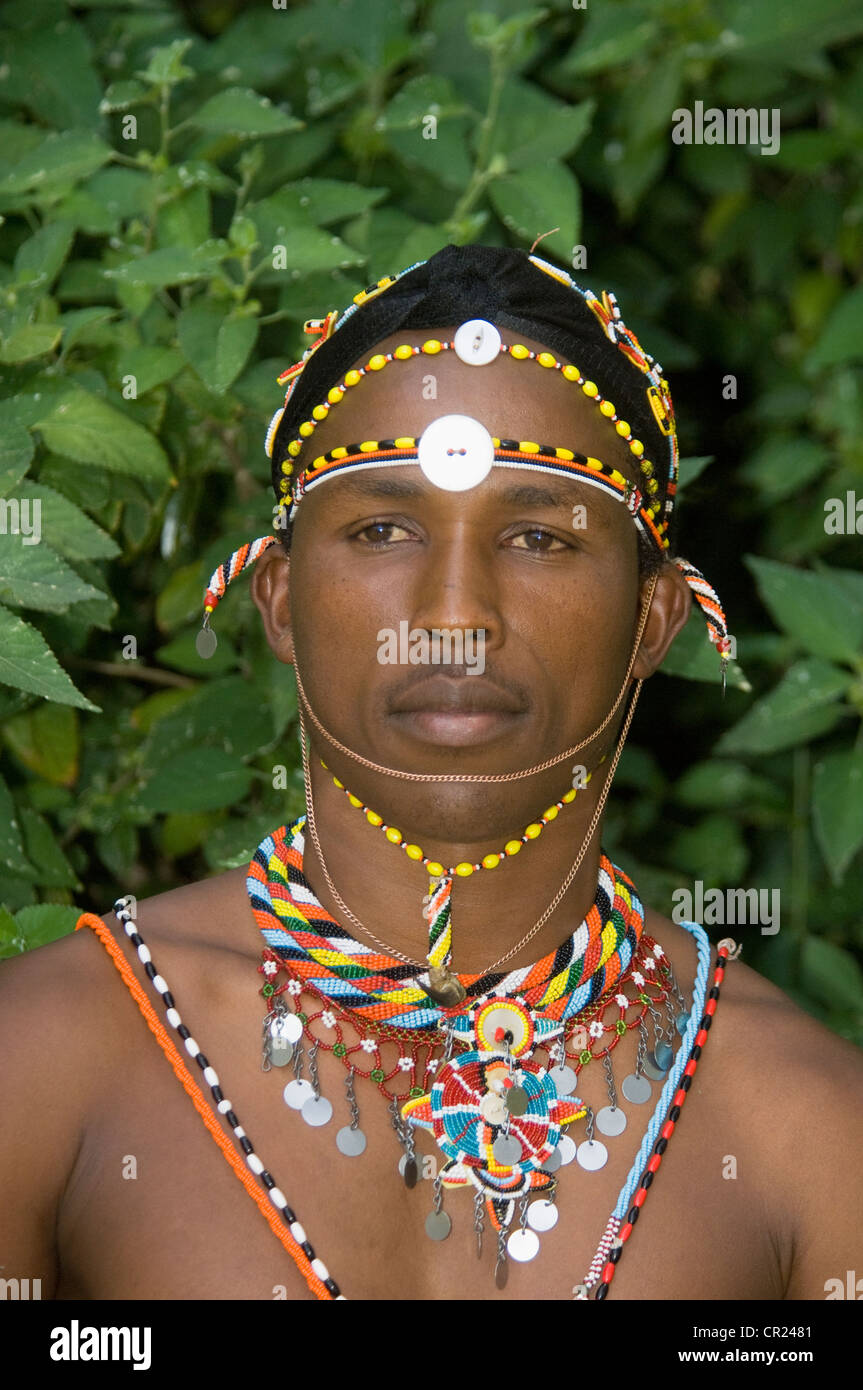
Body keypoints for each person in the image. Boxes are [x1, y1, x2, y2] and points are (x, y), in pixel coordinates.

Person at [1, 243, 861, 1303]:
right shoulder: (47, 1058)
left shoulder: (809, 1128)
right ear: (277, 598)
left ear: (652, 619)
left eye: (540, 538)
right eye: (381, 529)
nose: (455, 616)